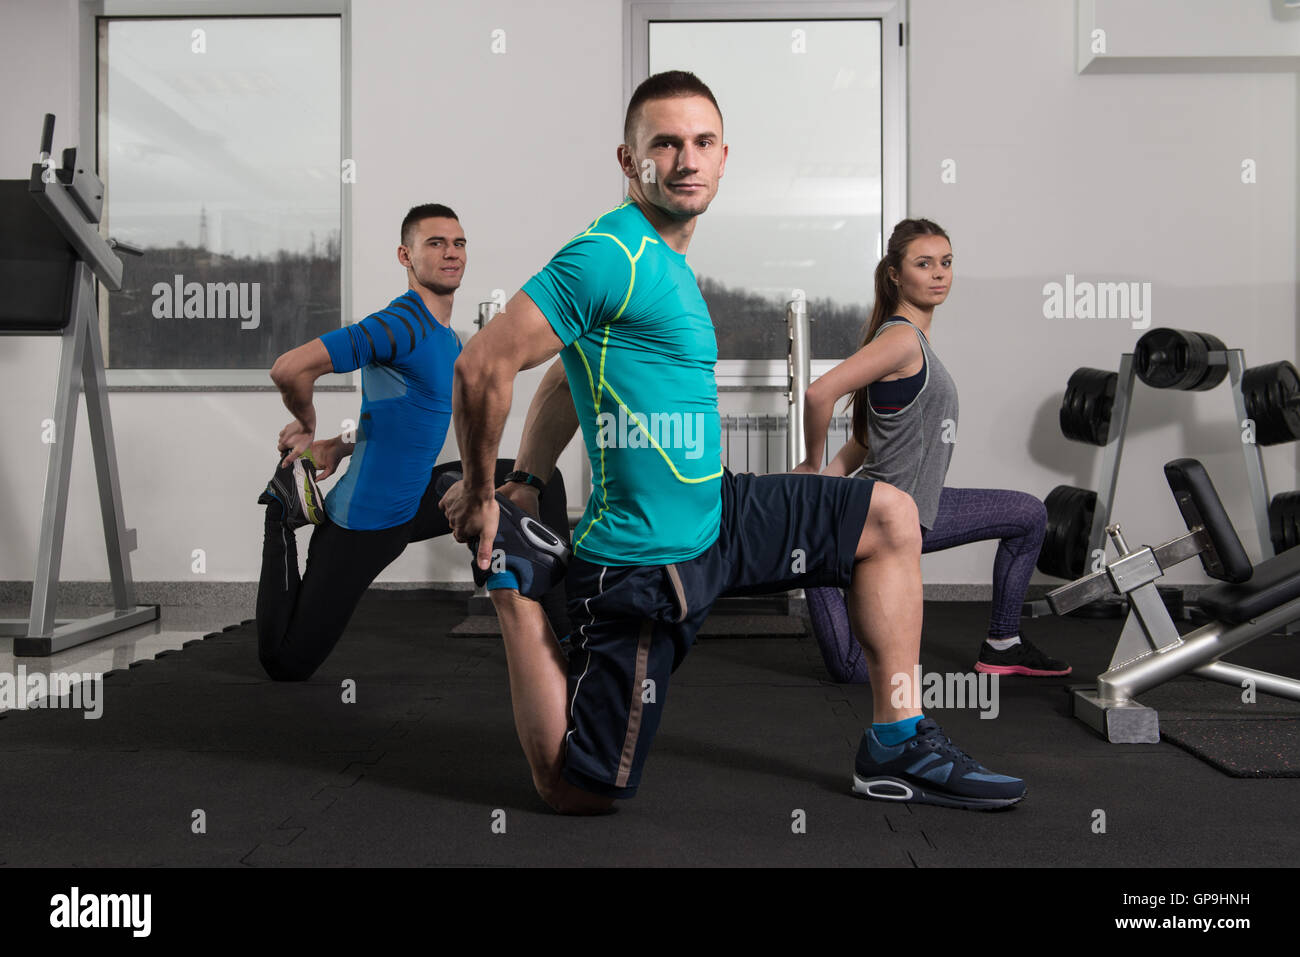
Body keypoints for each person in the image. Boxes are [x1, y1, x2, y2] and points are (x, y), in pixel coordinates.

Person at [442, 71, 1026, 811]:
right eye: (665, 144)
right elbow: (483, 362)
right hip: (645, 561)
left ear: (723, 157)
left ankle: (897, 740)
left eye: (702, 142)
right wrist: (490, 498)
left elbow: (568, 370)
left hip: (716, 507)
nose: (686, 159)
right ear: (629, 161)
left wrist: (529, 474)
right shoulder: (609, 253)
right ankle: (512, 583)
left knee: (889, 516)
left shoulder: (667, 262)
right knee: (578, 789)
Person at [254, 201, 571, 698]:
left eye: (459, 243)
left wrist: (338, 445)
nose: (451, 253)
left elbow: (402, 412)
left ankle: (564, 637)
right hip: (366, 524)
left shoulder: (446, 337)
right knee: (287, 663)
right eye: (436, 243)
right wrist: (304, 420)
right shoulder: (397, 324)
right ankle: (278, 513)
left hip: (419, 499)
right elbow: (289, 368)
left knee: (533, 477)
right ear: (406, 255)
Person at [796, 218, 1063, 682]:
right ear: (896, 275)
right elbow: (820, 394)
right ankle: (818, 554)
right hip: (886, 516)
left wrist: (831, 477)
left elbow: (868, 435)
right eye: (924, 264)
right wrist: (811, 465)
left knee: (1028, 515)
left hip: (918, 509)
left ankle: (1003, 645)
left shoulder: (908, 340)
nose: (939, 273)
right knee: (860, 673)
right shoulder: (900, 339)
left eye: (946, 262)